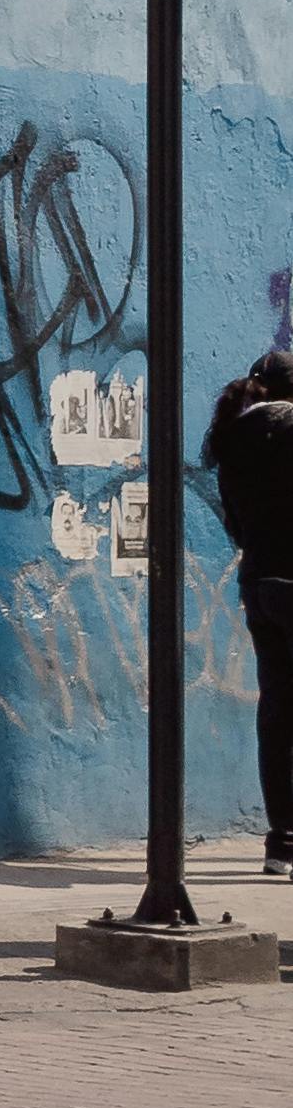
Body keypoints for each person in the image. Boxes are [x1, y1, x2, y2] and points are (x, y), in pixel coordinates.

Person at [203, 344, 293, 873]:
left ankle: (282, 841)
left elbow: (235, 525)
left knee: (277, 709)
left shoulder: (232, 437)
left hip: (260, 582)